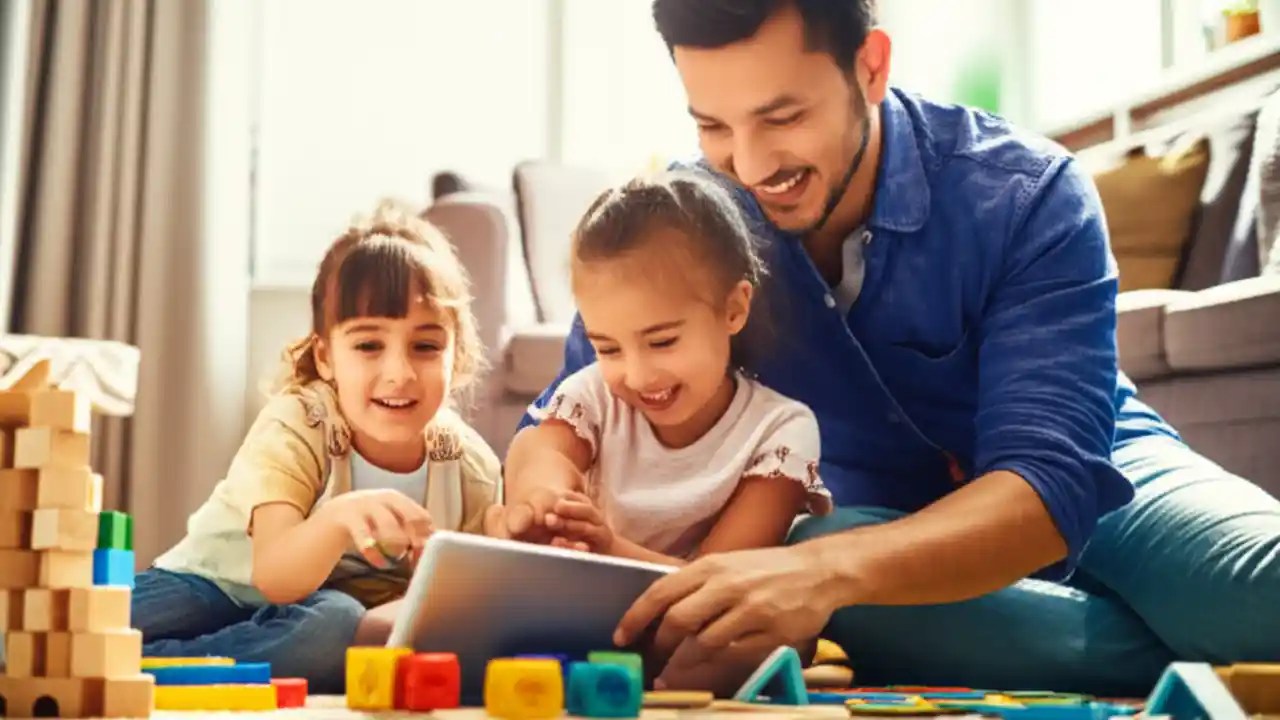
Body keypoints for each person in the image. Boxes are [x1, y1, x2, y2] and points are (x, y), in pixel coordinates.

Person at [513, 0, 1280, 698]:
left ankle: (1207, 628)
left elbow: (1050, 483)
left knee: (1260, 592)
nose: (747, 166)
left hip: (1101, 476)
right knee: (826, 558)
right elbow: (573, 423)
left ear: (871, 67)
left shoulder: (1028, 190)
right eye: (713, 126)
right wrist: (539, 508)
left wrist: (814, 575)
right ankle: (1194, 651)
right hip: (857, 537)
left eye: (782, 117)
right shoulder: (682, 226)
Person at [132, 201, 501, 693]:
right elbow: (276, 576)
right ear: (326, 357)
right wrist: (337, 518)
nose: (400, 373)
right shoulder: (300, 422)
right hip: (212, 579)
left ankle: (136, 675)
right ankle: (106, 660)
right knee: (64, 628)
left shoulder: (470, 467)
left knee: (330, 632)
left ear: (458, 357)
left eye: (426, 347)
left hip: (316, 613)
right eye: (369, 346)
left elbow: (452, 607)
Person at [497, 171, 833, 566]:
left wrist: (608, 550)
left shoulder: (780, 431)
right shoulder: (592, 397)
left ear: (734, 309)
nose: (638, 376)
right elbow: (545, 455)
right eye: (607, 348)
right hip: (581, 605)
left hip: (702, 620)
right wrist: (545, 503)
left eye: (662, 342)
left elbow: (722, 581)